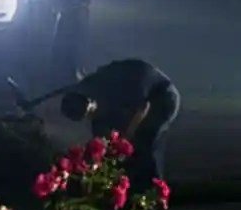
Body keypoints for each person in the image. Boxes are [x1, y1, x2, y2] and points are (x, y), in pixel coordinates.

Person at [20, 59, 179, 186]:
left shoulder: (117, 85)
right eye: (87, 117)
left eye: (91, 112)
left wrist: (127, 137)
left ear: (91, 100)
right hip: (126, 103)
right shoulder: (86, 91)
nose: (93, 116)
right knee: (111, 145)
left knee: (145, 141)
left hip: (161, 97)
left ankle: (155, 191)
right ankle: (126, 186)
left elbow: (143, 107)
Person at [34, 0, 89, 87]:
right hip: (78, 11)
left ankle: (65, 79)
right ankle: (75, 75)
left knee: (62, 47)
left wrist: (54, 5)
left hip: (69, 12)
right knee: (74, 46)